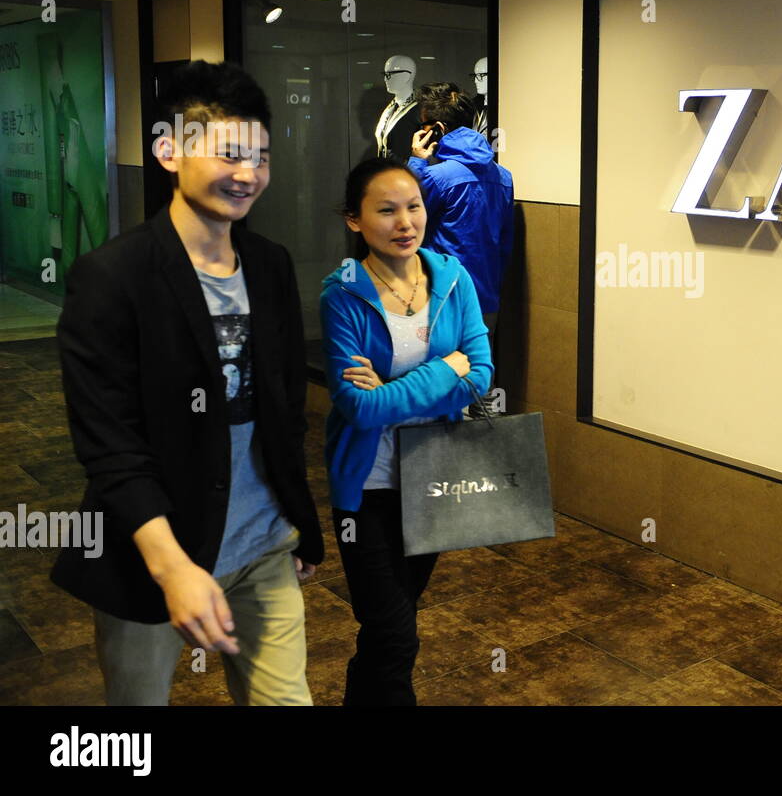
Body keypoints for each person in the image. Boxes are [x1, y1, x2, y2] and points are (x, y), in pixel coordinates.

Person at [50, 59, 324, 706]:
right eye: (230, 152)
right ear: (168, 150)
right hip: (156, 554)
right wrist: (173, 566)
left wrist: (298, 521)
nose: (249, 173)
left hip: (263, 547)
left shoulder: (270, 263)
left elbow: (285, 407)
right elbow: (110, 445)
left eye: (261, 155)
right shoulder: (113, 276)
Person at [320, 157, 492, 706]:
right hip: (365, 489)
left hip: (432, 478)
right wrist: (446, 370)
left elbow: (483, 374)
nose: (404, 222)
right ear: (355, 220)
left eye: (413, 207)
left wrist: (391, 390)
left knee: (388, 630)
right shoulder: (341, 295)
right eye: (386, 210)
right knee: (394, 632)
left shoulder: (453, 278)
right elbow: (358, 408)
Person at [407, 81, 513, 349]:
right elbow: (505, 245)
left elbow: (400, 218)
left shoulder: (436, 177)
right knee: (477, 381)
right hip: (486, 298)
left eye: (424, 126)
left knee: (434, 382)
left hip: (441, 300)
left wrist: (417, 160)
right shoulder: (503, 177)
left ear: (439, 129)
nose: (421, 132)